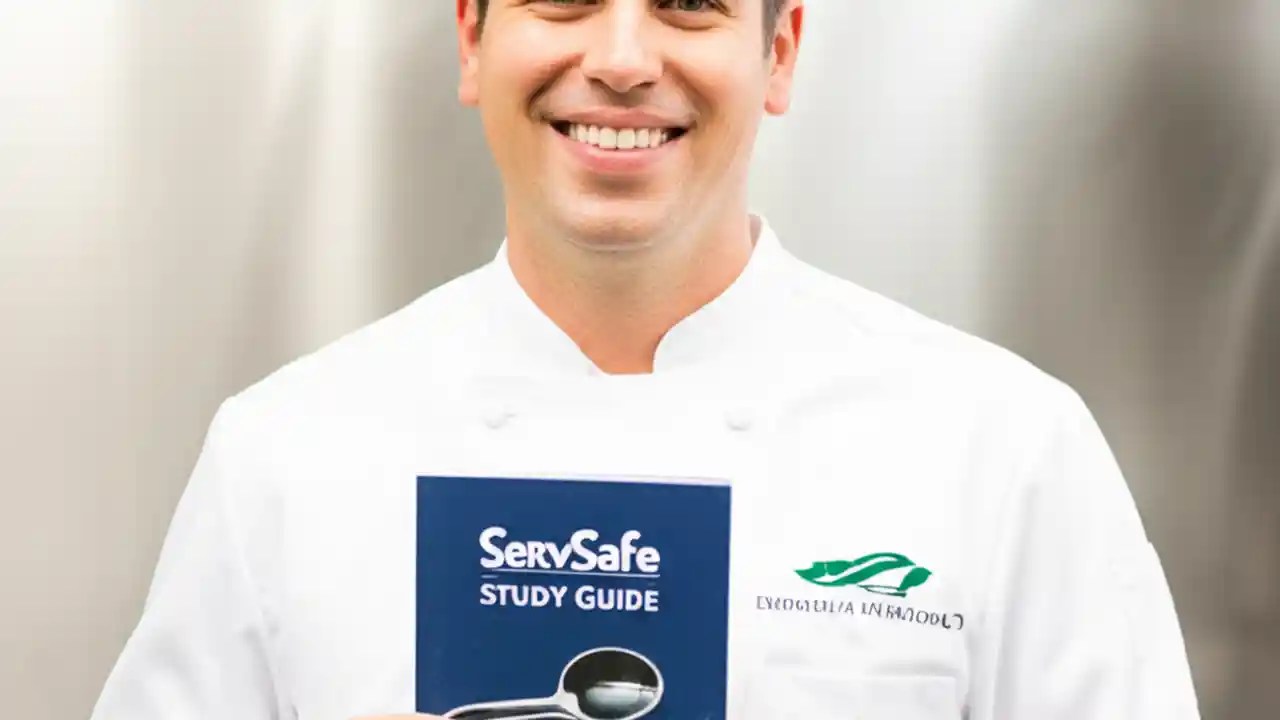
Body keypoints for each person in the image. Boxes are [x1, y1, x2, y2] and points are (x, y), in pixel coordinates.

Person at [90, 0, 1202, 718]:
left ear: (777, 51)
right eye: (562, 0)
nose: (621, 60)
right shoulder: (284, 451)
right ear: (472, 39)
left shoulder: (1001, 445)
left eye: (686, 6)